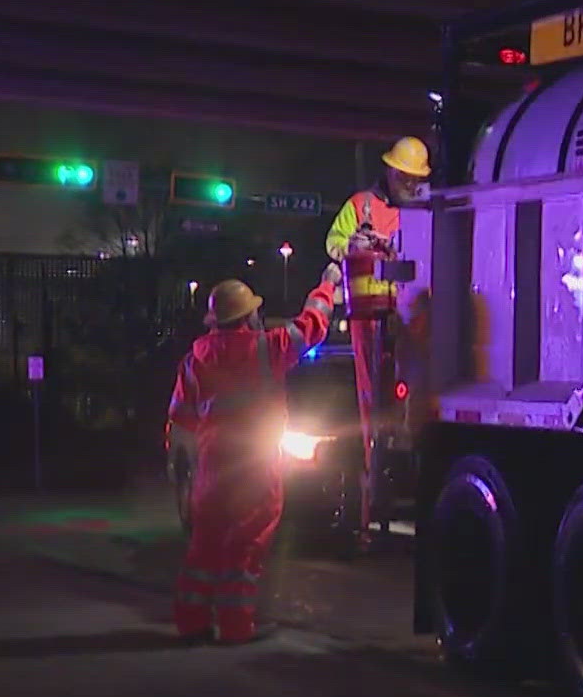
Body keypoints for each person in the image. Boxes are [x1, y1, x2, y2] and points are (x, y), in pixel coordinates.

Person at [166, 270, 338, 643]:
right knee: (245, 546)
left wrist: (181, 468)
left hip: (212, 465)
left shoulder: (195, 358)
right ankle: (234, 626)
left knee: (205, 543)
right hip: (256, 465)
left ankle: (192, 621)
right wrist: (327, 284)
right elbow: (312, 326)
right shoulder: (267, 347)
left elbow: (180, 418)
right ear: (248, 316)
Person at [324, 135, 429, 534]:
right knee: (371, 406)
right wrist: (351, 244)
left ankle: (405, 467)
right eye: (404, 175)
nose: (408, 183)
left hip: (409, 315)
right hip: (369, 315)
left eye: (413, 177)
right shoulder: (360, 205)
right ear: (390, 170)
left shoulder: (422, 208)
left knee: (414, 397)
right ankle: (371, 501)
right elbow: (333, 243)